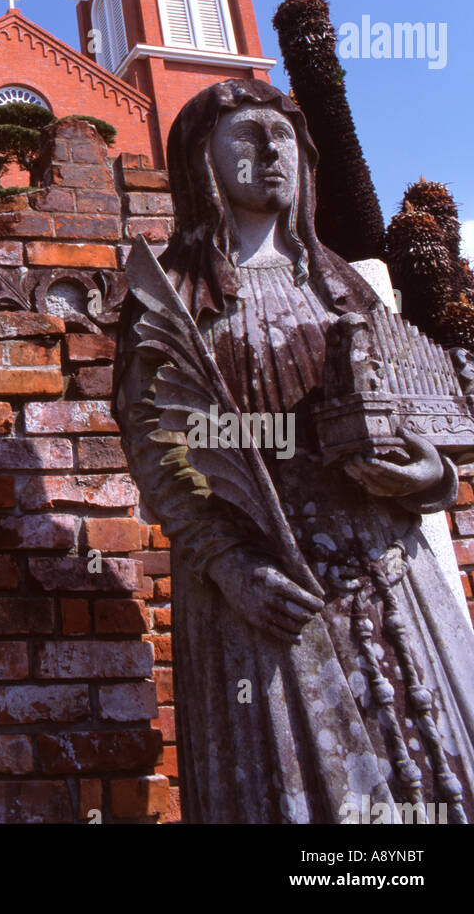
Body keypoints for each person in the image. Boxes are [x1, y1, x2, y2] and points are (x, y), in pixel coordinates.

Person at [116, 78, 474, 824]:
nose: (270, 150)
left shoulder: (346, 286)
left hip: (394, 574)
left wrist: (430, 474)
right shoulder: (173, 296)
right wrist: (228, 564)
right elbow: (158, 451)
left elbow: (415, 417)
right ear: (201, 163)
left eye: (283, 138)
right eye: (244, 137)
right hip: (267, 588)